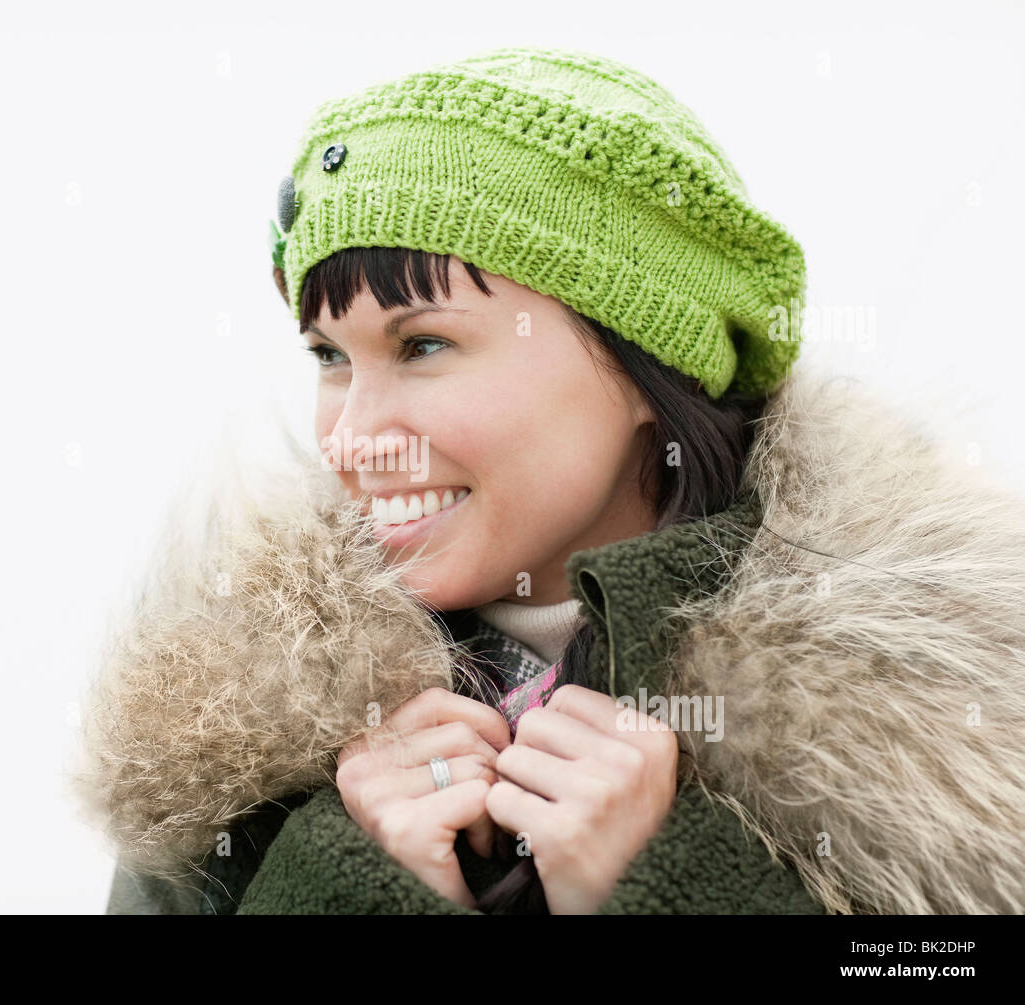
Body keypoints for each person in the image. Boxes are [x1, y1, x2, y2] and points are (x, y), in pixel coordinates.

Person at [73, 45, 1025, 914]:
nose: (355, 437)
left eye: (426, 344)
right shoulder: (234, 740)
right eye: (330, 356)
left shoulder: (942, 730)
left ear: (646, 364)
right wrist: (331, 885)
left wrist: (677, 886)